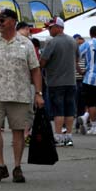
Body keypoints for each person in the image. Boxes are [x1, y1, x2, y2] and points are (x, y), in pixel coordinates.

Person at [0, 8, 43, 184]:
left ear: (13, 21)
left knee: (18, 131)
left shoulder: (26, 43)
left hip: (20, 94)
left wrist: (38, 93)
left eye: (2, 19)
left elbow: (35, 70)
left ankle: (17, 167)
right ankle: (0, 165)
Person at [39, 17, 78, 146]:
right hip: (71, 81)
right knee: (69, 110)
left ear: (58, 27)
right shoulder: (73, 41)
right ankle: (69, 136)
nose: (49, 30)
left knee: (58, 110)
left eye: (50, 27)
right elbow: (77, 58)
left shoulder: (52, 42)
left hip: (56, 82)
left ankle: (58, 137)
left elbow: (43, 62)